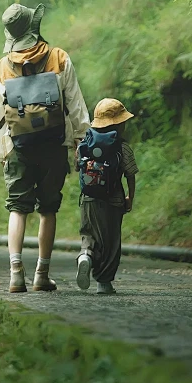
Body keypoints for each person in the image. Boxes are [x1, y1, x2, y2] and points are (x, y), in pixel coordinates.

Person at [0, 2, 89, 293]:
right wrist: (80, 143)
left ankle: (15, 274)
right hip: (54, 144)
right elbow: (76, 106)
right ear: (34, 27)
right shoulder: (59, 57)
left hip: (18, 147)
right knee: (48, 209)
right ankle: (41, 275)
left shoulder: (2, 67)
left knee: (18, 209)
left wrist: (3, 154)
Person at [75, 98, 139, 295]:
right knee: (110, 241)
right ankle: (104, 283)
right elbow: (130, 175)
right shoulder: (122, 147)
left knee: (89, 233)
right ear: (119, 124)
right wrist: (130, 198)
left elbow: (78, 167)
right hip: (113, 200)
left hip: (88, 199)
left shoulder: (84, 143)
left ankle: (85, 256)